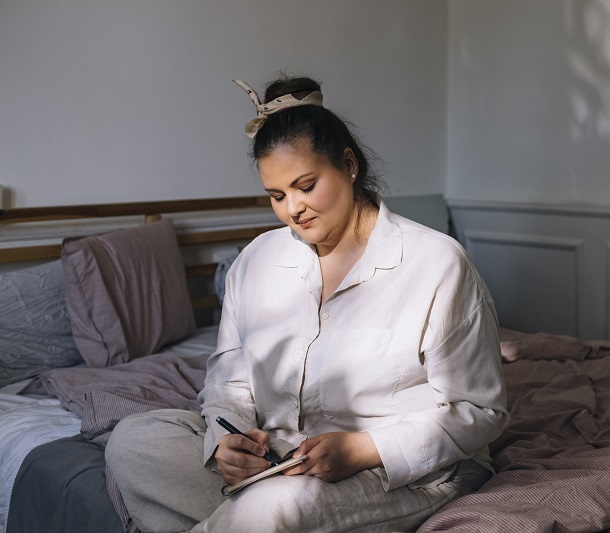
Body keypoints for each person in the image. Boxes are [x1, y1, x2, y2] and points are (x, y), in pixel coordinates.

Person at [106, 75, 508, 533]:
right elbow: (229, 380)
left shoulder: (436, 264)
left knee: (271, 510)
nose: (293, 209)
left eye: (306, 185)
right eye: (277, 196)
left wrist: (362, 449)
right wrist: (226, 440)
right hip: (279, 461)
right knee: (133, 443)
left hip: (404, 474)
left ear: (349, 164)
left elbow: (481, 411)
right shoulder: (255, 261)